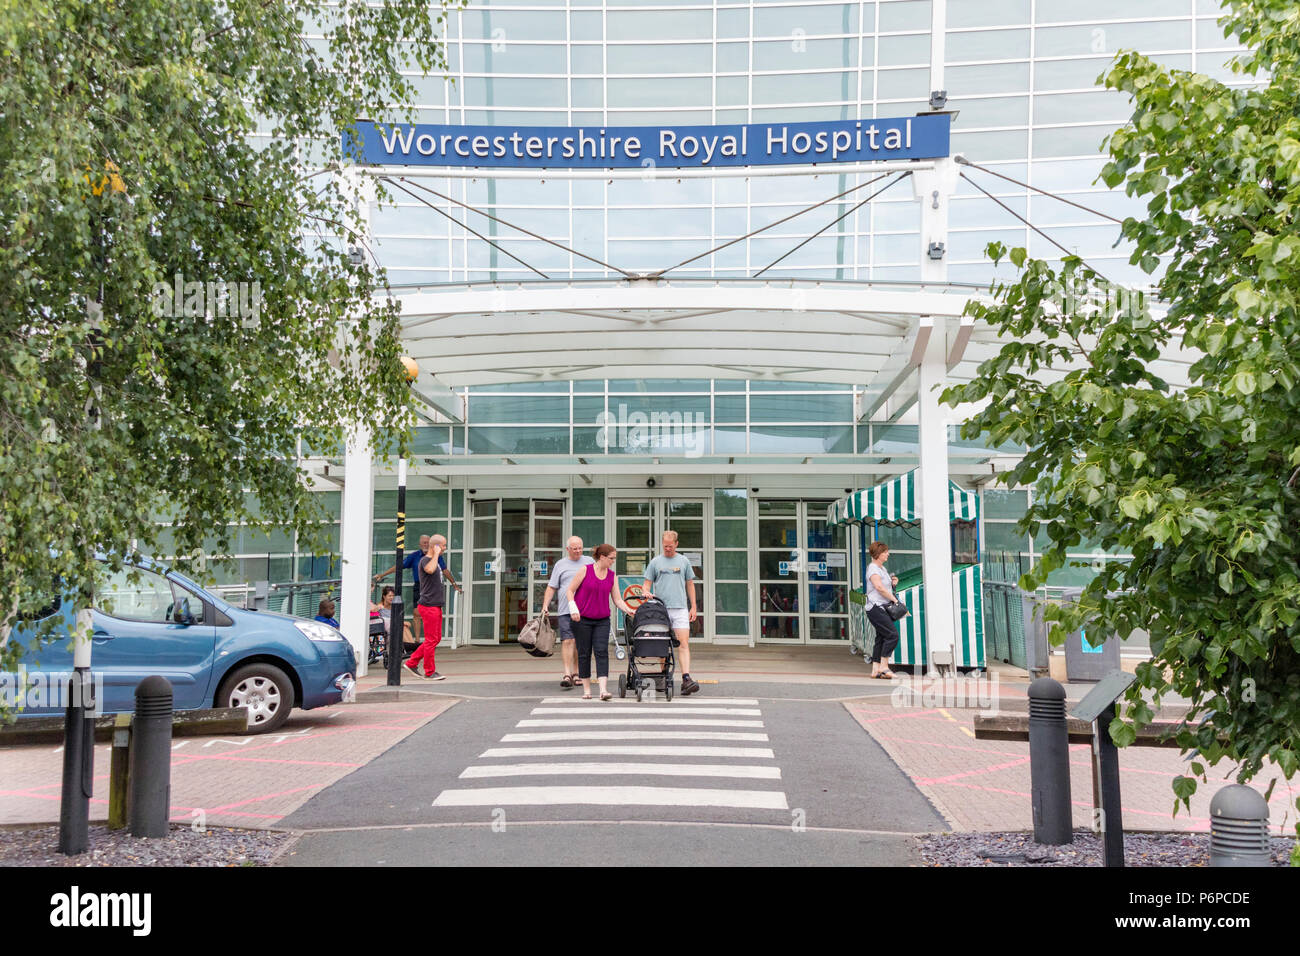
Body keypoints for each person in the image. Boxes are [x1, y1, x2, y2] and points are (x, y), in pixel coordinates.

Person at [566, 543, 636, 701]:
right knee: (584, 653)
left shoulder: (612, 576)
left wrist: (628, 609)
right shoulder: (585, 570)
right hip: (582, 619)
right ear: (602, 557)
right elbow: (570, 590)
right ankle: (586, 690)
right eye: (611, 558)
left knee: (601, 652)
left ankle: (603, 690)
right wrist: (573, 608)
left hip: (602, 620)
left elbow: (617, 599)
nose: (613, 561)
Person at [643, 530, 700, 695]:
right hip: (661, 609)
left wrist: (693, 606)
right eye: (665, 546)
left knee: (683, 644)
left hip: (680, 608)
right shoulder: (655, 562)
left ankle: (686, 678)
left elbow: (690, 584)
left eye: (670, 546)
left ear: (676, 544)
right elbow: (646, 584)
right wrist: (646, 592)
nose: (667, 549)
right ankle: (663, 676)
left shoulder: (683, 561)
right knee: (661, 644)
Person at [404, 533, 462, 680]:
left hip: (435, 606)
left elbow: (441, 570)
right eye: (443, 545)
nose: (445, 548)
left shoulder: (435, 560)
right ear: (435, 546)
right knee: (431, 640)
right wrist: (435, 554)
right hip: (428, 606)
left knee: (436, 639)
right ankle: (429, 672)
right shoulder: (425, 560)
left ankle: (412, 662)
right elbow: (429, 570)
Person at [542, 536, 594, 690]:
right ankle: (567, 673)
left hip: (585, 609)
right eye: (574, 548)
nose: (578, 551)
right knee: (567, 640)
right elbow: (552, 587)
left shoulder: (590, 562)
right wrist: (545, 605)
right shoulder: (560, 564)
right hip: (566, 610)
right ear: (567, 549)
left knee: (580, 643)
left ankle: (577, 673)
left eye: (580, 548)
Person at [374, 534, 430, 644]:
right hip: (419, 586)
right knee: (417, 613)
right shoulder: (414, 556)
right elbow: (399, 566)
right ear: (420, 544)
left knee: (431, 614)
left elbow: (444, 569)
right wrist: (383, 574)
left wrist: (454, 583)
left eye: (428, 542)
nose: (426, 544)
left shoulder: (435, 556)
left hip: (432, 588)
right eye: (424, 542)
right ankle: (417, 642)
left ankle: (429, 641)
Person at [864, 541, 902, 679]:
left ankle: (875, 669)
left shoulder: (882, 569)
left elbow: (884, 586)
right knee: (892, 635)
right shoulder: (873, 569)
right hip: (876, 607)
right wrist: (895, 600)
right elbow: (879, 588)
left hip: (881, 607)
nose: (888, 554)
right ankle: (884, 667)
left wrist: (893, 584)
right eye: (885, 552)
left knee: (881, 637)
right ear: (878, 554)